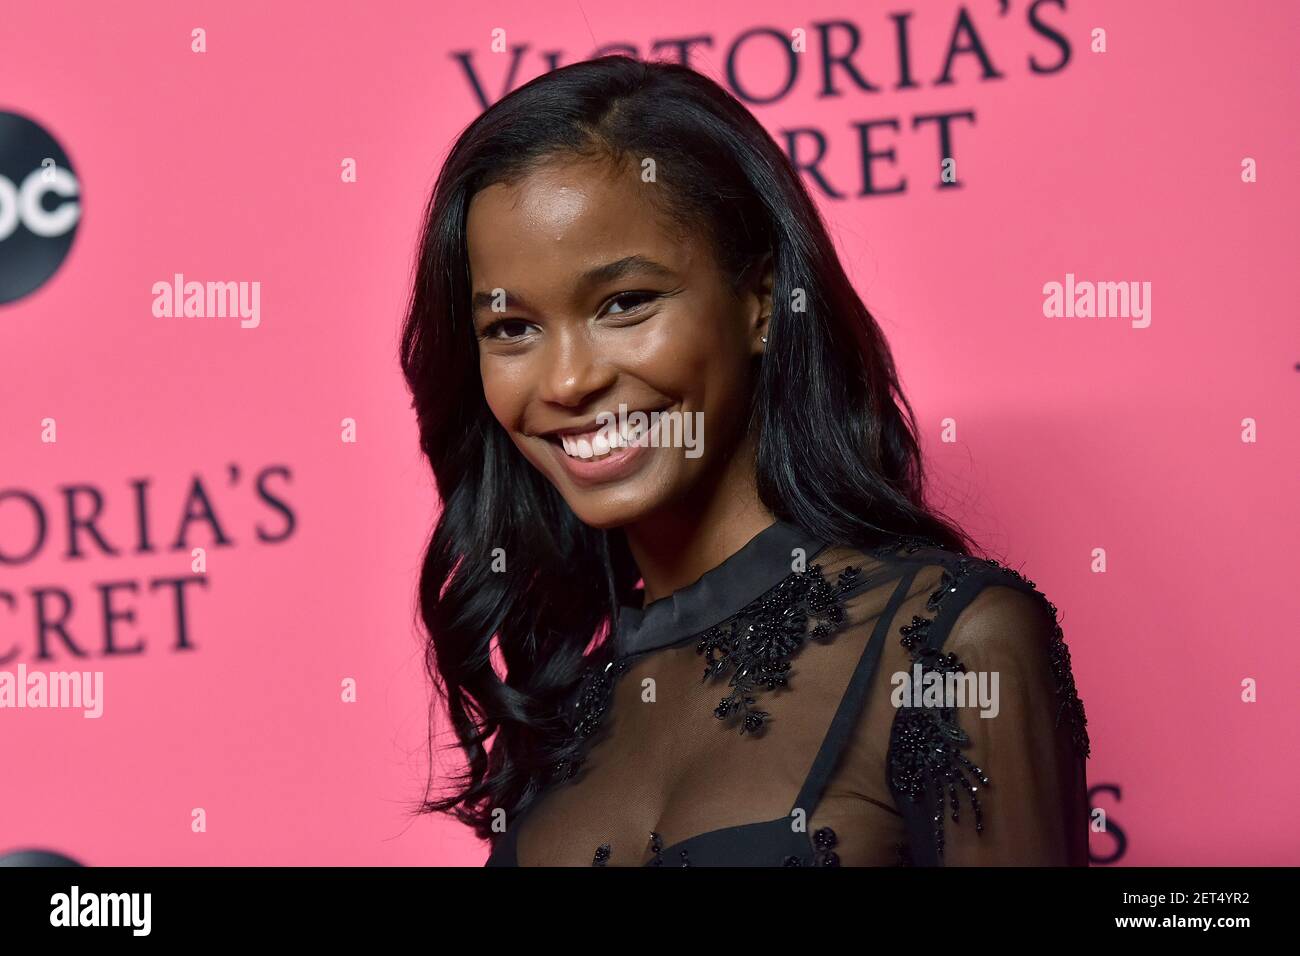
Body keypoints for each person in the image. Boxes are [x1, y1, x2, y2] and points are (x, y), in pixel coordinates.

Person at [399, 55, 1090, 866]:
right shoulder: (555, 720)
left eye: (625, 304)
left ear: (761, 303)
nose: (568, 381)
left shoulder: (950, 644)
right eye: (511, 328)